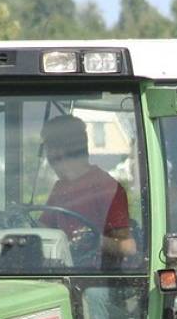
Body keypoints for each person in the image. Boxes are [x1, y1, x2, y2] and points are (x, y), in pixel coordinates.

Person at [40, 113, 136, 270]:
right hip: (65, 270)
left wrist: (95, 240)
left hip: (96, 279)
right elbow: (44, 229)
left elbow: (128, 247)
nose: (47, 156)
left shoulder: (107, 188)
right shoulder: (60, 187)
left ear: (58, 151)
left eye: (48, 147)